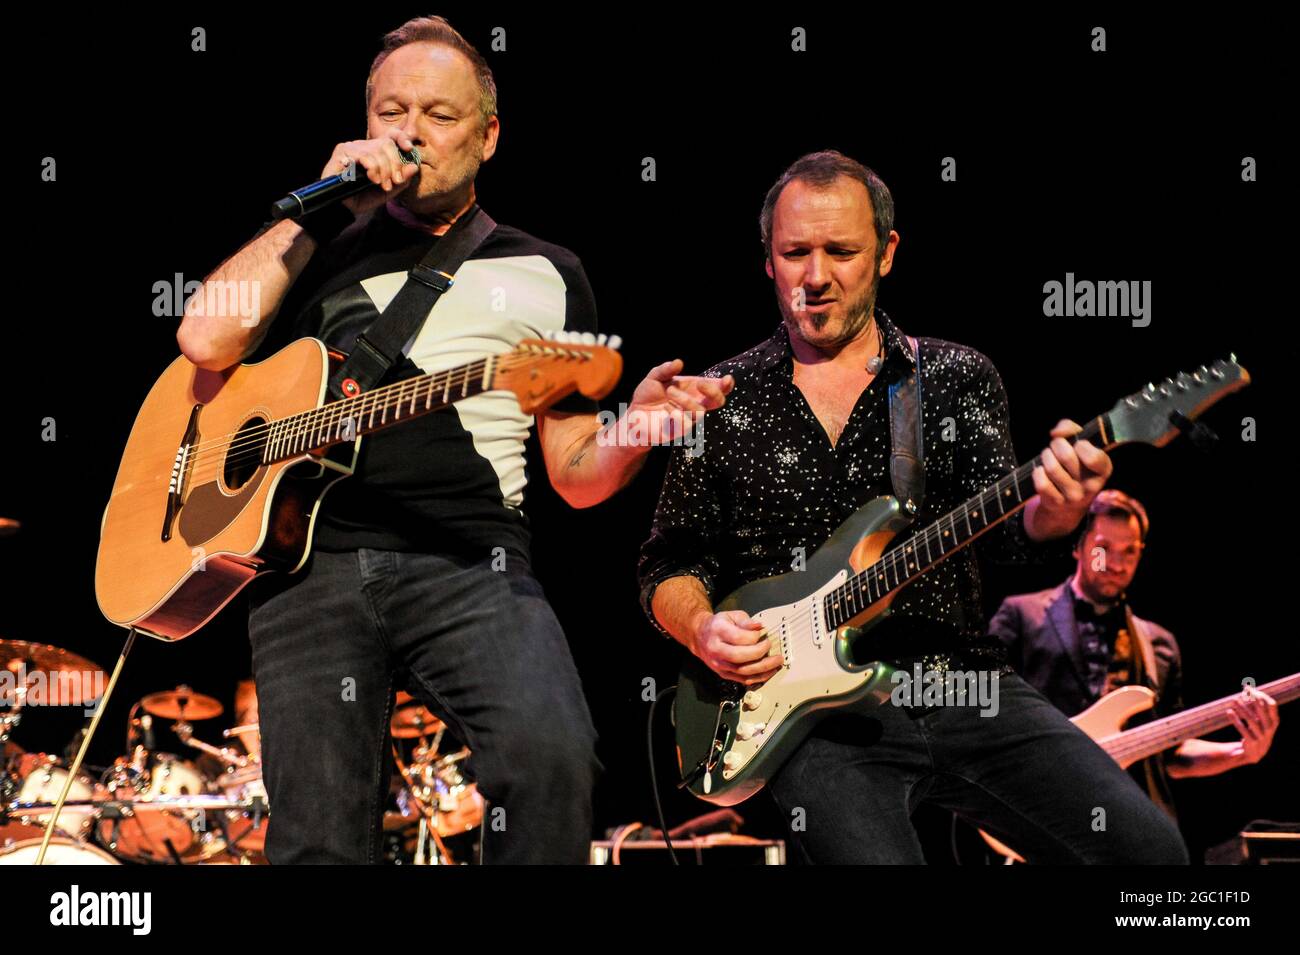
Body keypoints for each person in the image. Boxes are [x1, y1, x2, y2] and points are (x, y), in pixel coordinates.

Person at [176, 16, 730, 863]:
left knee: (553, 765)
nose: (409, 131)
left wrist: (638, 429)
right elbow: (203, 341)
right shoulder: (314, 253)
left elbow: (575, 476)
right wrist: (315, 214)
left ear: (489, 135)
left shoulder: (547, 271)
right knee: (316, 842)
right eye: (390, 110)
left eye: (438, 113)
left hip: (473, 563)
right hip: (309, 567)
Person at [638, 150, 1189, 864]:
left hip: (961, 679)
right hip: (814, 724)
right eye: (795, 251)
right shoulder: (722, 396)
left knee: (1153, 856)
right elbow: (668, 563)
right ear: (767, 261)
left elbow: (1016, 543)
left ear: (887, 253)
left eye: (841, 251)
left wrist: (1060, 505)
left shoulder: (957, 377)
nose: (816, 275)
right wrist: (703, 627)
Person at [989, 489, 1280, 820]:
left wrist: (1242, 752)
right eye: (1103, 548)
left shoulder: (1160, 644)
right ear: (1078, 546)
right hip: (1045, 818)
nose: (1115, 563)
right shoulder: (1021, 616)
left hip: (1134, 828)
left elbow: (1171, 755)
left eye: (1129, 551)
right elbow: (985, 711)